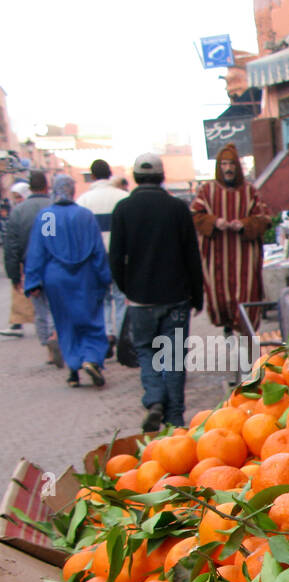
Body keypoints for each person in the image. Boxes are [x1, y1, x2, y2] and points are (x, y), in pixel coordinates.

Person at [109, 152, 205, 431]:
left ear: (136, 177)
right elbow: (192, 256)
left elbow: (115, 258)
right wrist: (197, 295)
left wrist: (128, 288)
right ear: (162, 176)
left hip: (141, 300)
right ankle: (175, 417)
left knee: (146, 351)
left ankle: (154, 400)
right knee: (173, 356)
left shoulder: (124, 209)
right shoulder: (177, 208)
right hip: (176, 298)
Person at [23, 175, 112, 387]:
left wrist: (33, 281)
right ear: (72, 190)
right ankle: (91, 358)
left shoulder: (48, 217)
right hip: (86, 276)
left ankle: (73, 369)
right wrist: (104, 277)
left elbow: (39, 250)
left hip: (57, 278)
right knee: (91, 319)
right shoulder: (84, 215)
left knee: (65, 323)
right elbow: (98, 250)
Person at [190, 144, 272, 334]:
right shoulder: (206, 191)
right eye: (224, 164)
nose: (228, 169)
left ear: (237, 166)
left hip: (244, 256)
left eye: (232, 164)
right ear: (219, 166)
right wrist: (214, 221)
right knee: (220, 297)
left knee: (247, 294)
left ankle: (246, 332)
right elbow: (195, 215)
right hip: (216, 254)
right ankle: (227, 325)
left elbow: (264, 218)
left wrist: (244, 224)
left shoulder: (250, 191)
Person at [4, 171, 60, 363]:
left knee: (40, 309)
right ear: (46, 186)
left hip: (31, 268)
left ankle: (48, 344)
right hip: (57, 267)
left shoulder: (19, 211)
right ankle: (56, 336)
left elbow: (11, 247)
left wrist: (14, 275)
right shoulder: (55, 207)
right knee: (56, 307)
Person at [77, 159, 129, 360]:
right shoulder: (123, 197)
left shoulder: (84, 201)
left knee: (102, 299)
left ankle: (108, 335)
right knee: (120, 298)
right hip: (120, 256)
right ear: (109, 174)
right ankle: (124, 339)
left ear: (93, 176)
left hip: (95, 258)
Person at [3, 182, 33, 336]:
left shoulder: (20, 212)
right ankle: (16, 323)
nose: (17, 200)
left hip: (27, 258)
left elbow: (13, 242)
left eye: (19, 197)